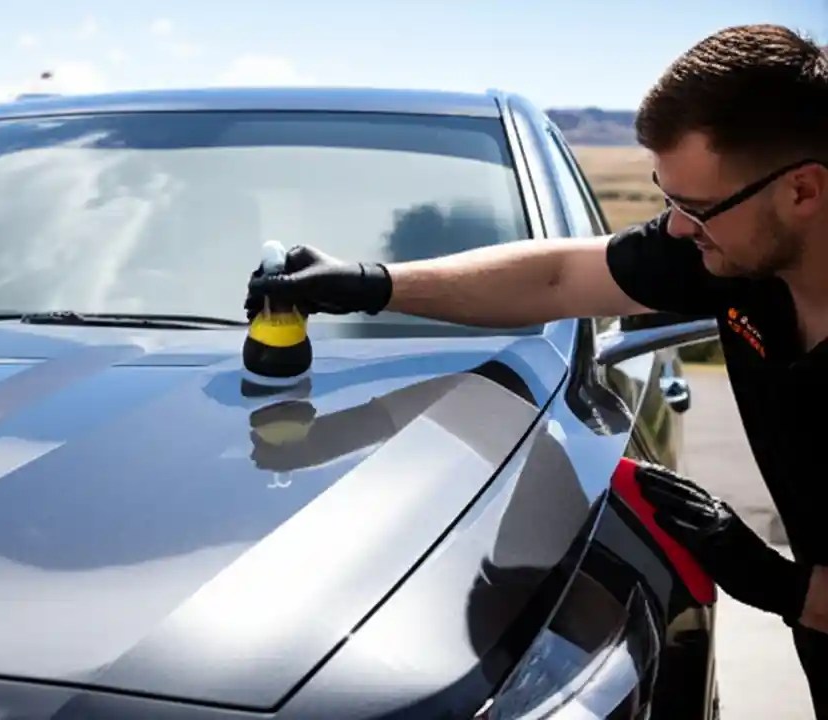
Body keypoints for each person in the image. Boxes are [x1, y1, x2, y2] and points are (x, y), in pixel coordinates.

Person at [244, 23, 828, 714]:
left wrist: (778, 583)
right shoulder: (726, 254)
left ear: (802, 191)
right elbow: (557, 277)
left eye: (696, 208)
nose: (673, 228)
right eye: (665, 198)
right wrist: (376, 284)